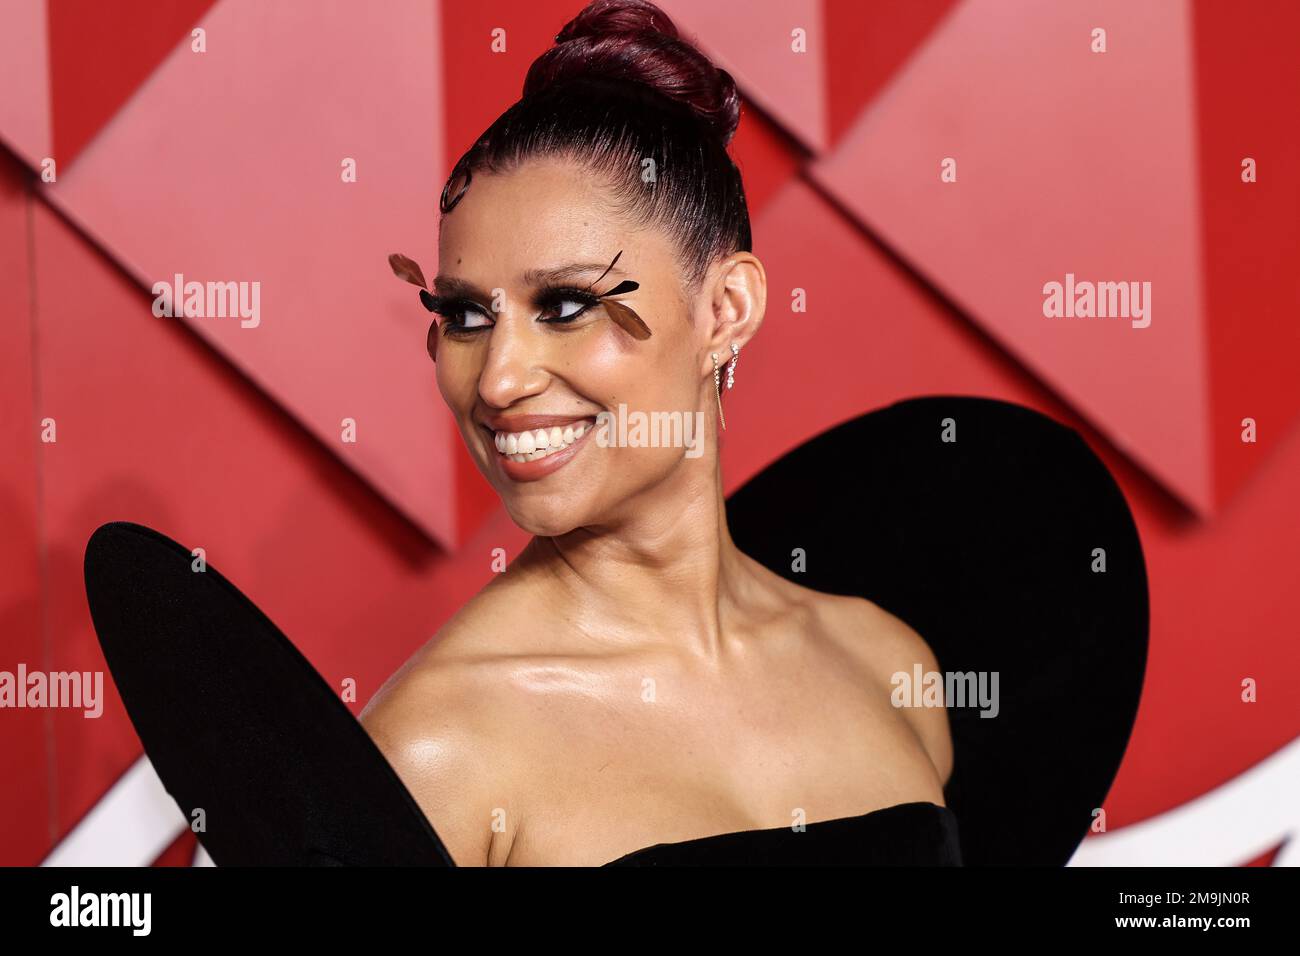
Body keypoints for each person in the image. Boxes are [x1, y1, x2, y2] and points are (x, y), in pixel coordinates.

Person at [362, 0, 955, 866]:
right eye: (463, 314)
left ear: (726, 310)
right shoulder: (434, 755)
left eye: (565, 306)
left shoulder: (887, 667)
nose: (496, 380)